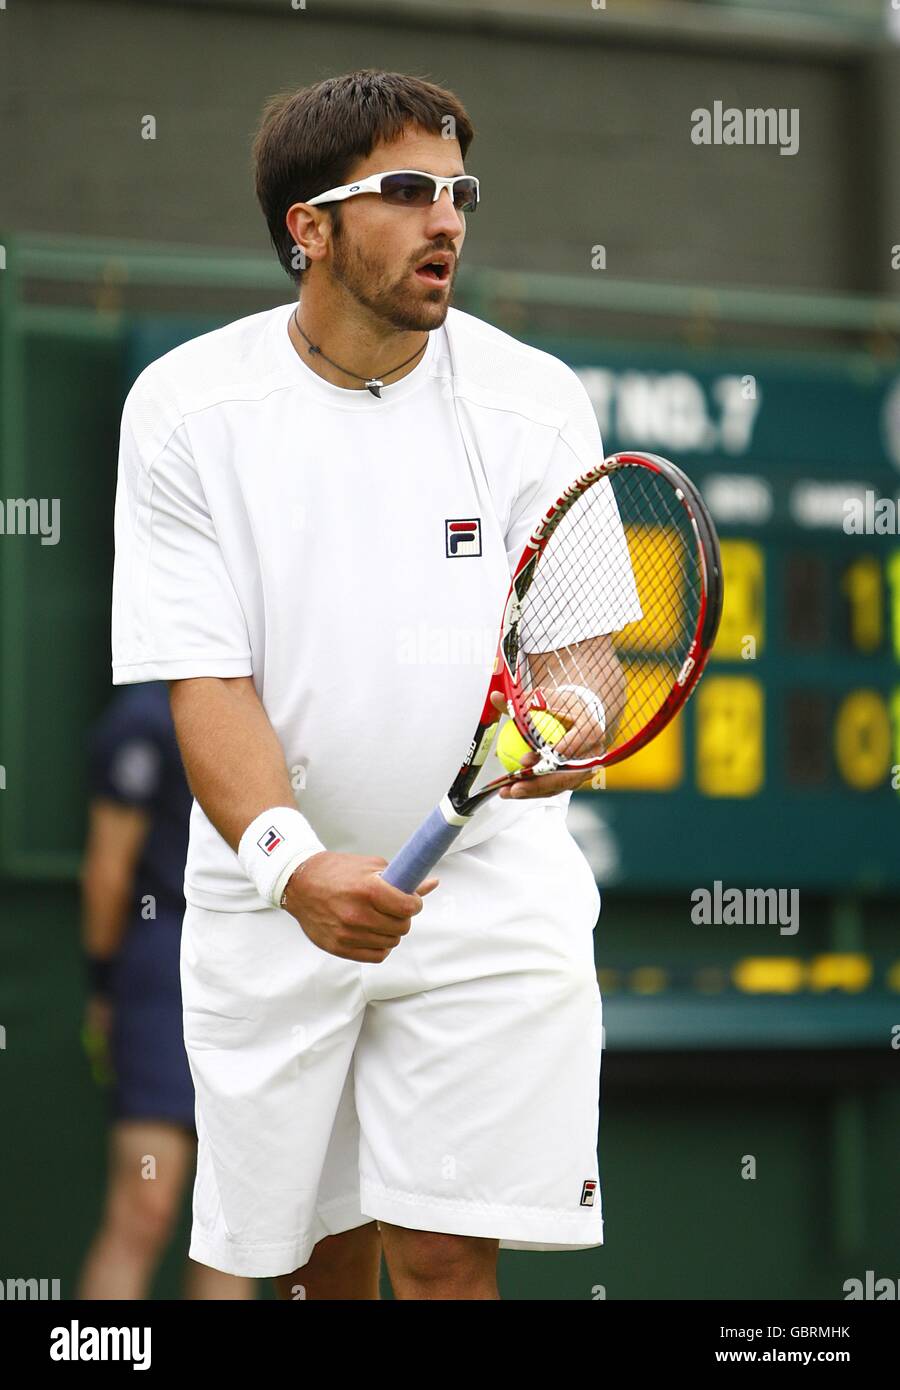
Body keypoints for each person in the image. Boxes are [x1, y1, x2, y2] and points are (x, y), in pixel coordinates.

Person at [111, 69, 630, 1300]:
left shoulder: (538, 399)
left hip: (492, 900)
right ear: (310, 227)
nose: (447, 218)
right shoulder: (186, 410)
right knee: (318, 1267)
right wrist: (295, 867)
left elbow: (576, 656)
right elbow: (208, 684)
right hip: (274, 899)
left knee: (447, 1256)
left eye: (460, 191)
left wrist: (577, 716)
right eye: (407, 191)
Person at [77, 683, 253, 1299]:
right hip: (159, 978)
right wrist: (105, 988)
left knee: (234, 1227)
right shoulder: (143, 719)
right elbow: (108, 868)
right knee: (144, 1209)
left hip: (257, 972)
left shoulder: (274, 707)